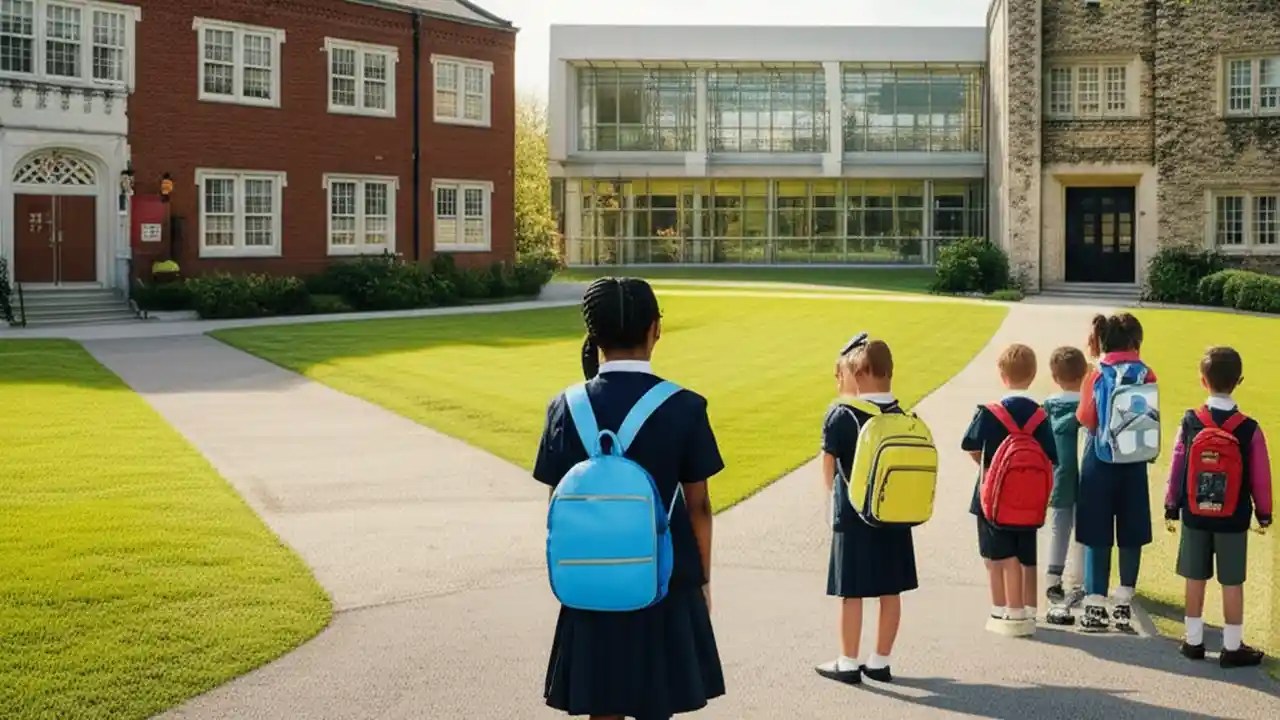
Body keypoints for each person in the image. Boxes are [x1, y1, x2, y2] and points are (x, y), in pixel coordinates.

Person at [534, 277, 725, 720]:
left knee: (602, 705)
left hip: (590, 577)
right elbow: (699, 507)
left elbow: (557, 502)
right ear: (655, 328)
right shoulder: (685, 406)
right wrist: (703, 581)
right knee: (656, 703)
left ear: (593, 334)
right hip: (665, 578)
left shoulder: (564, 406)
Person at [815, 335, 918, 685]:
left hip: (853, 515)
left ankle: (847, 661)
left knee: (851, 592)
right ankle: (880, 661)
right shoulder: (903, 415)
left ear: (857, 373)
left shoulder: (842, 415)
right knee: (891, 591)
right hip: (895, 513)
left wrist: (831, 501)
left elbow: (829, 467)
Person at [1164, 346, 1273, 668]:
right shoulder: (1249, 428)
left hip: (1195, 513)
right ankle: (1232, 646)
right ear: (1239, 381)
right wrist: (1264, 513)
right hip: (1233, 516)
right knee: (1232, 581)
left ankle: (1193, 640)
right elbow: (1261, 476)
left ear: (1203, 380)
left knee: (1194, 577)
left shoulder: (1190, 421)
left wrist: (1172, 504)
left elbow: (1177, 465)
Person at [962, 344, 1058, 637]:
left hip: (992, 497)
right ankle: (1028, 608)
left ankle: (1004, 608)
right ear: (1033, 374)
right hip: (1029, 499)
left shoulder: (990, 413)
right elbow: (1051, 458)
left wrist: (990, 467)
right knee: (1026, 554)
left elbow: (971, 446)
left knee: (996, 556)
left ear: (1002, 375)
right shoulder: (1040, 416)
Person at [1076, 313, 1155, 633]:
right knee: (1131, 531)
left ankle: (1095, 602)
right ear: (1136, 342)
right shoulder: (1147, 373)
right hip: (1134, 458)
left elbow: (1086, 417)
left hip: (1099, 457)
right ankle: (1124, 600)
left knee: (1097, 530)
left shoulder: (1096, 373)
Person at [1044, 347, 1089, 625]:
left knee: (1059, 528)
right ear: (1084, 373)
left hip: (1059, 477)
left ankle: (1053, 578)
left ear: (1054, 376)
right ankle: (1079, 581)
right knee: (1083, 531)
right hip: (1086, 477)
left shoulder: (1049, 406)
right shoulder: (1087, 405)